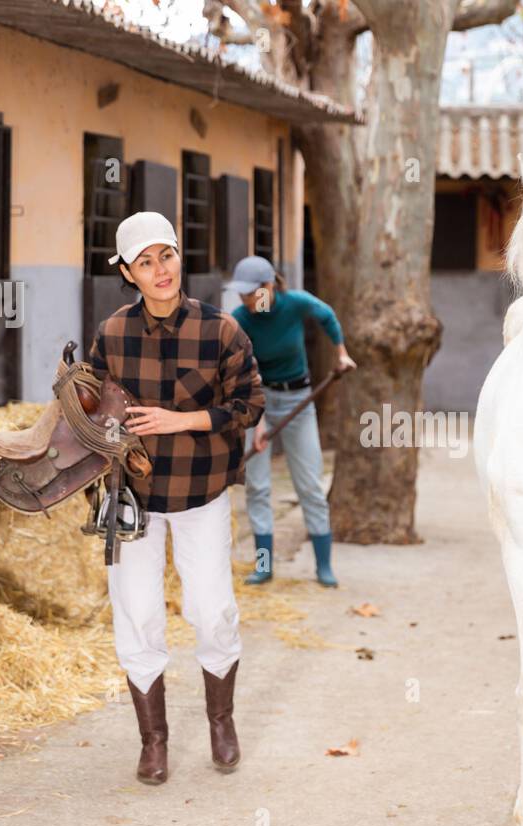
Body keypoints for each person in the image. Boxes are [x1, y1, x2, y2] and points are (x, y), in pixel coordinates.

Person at [89, 211, 265, 786]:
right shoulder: (112, 334)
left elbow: (250, 405)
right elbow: (88, 409)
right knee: (137, 615)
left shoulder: (221, 331)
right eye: (145, 261)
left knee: (211, 610)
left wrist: (178, 419)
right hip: (132, 500)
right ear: (127, 272)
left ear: (179, 256)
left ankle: (221, 721)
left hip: (202, 494)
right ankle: (153, 741)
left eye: (166, 255)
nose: (160, 269)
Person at [228, 255, 356, 587]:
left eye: (251, 293)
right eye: (242, 294)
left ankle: (323, 567)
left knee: (310, 484)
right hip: (258, 401)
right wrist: (256, 422)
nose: (245, 300)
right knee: (257, 486)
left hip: (299, 398)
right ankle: (264, 564)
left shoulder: (294, 304)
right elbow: (243, 373)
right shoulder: (239, 320)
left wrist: (341, 353)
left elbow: (327, 317)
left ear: (270, 287)